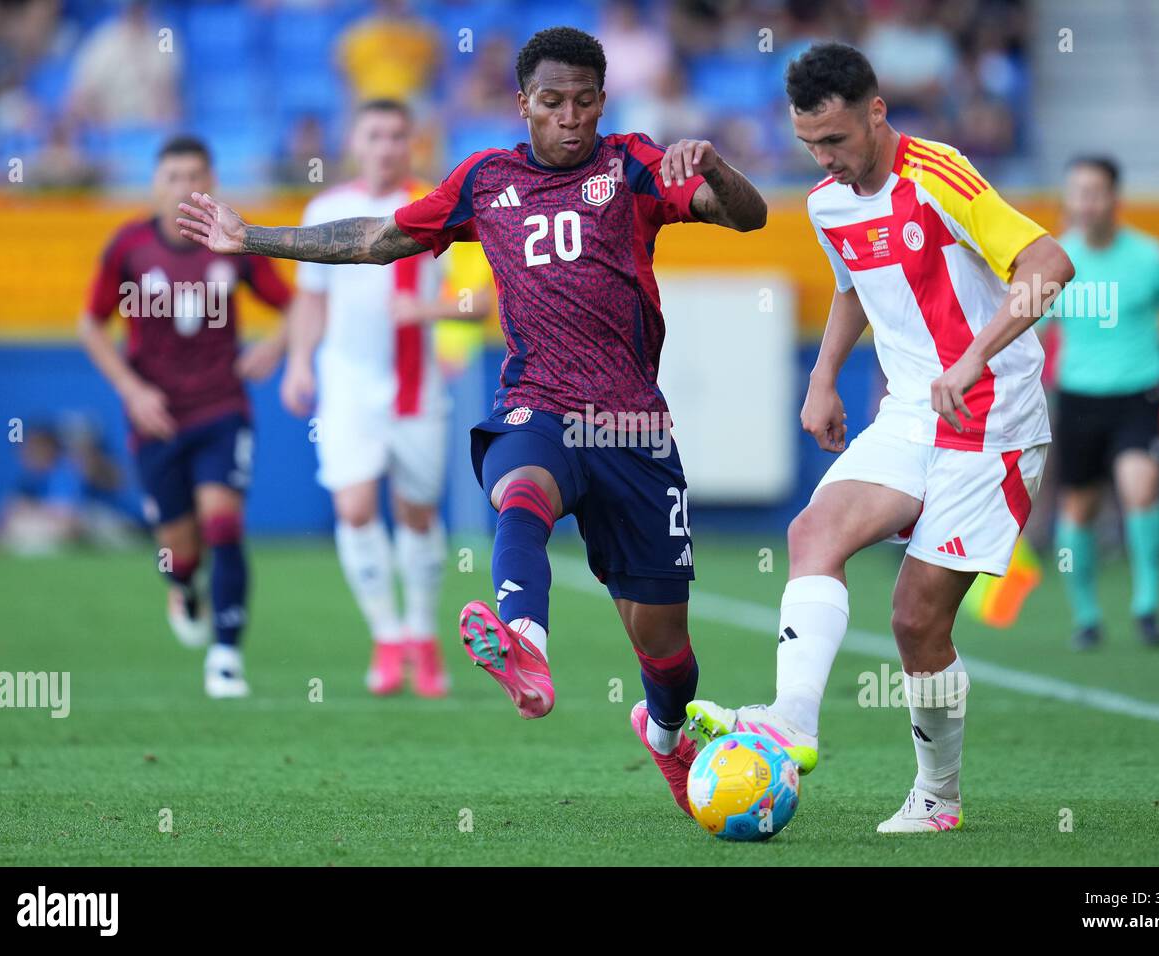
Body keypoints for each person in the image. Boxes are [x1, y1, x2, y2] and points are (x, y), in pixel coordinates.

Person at [177, 27, 767, 814]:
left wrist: (716, 165)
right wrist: (251, 237)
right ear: (522, 102)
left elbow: (749, 219)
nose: (570, 118)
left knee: (664, 645)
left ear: (603, 100)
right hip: (538, 403)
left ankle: (665, 734)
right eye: (552, 102)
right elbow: (377, 239)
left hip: (630, 428)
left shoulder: (631, 165)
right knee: (520, 483)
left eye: (585, 102)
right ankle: (526, 639)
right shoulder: (486, 182)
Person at [685, 42, 1074, 833]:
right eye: (809, 146)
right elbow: (853, 284)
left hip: (990, 421)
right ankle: (792, 723)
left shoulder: (942, 175)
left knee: (915, 621)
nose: (825, 160)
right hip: (908, 412)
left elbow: (1049, 261)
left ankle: (937, 796)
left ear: (876, 112)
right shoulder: (829, 202)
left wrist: (971, 358)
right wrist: (822, 377)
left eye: (836, 140)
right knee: (812, 532)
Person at [280, 98, 486, 696]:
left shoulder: (438, 207)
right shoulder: (327, 208)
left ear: (411, 143)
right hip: (346, 384)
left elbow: (480, 303)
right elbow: (312, 297)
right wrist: (298, 361)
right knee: (354, 509)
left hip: (416, 387)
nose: (387, 146)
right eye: (375, 134)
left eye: (398, 135)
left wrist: (425, 308)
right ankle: (387, 635)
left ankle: (423, 635)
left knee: (417, 513)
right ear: (356, 140)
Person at [79, 135, 290, 698]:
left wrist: (274, 345)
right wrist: (131, 390)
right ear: (156, 184)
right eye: (173, 176)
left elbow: (293, 303)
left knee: (223, 523)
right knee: (178, 550)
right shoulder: (128, 246)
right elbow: (90, 323)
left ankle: (225, 657)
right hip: (157, 419)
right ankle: (183, 586)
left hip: (223, 409)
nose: (185, 186)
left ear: (212, 181)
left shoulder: (232, 240)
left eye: (195, 175)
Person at [1050, 156, 1159, 650]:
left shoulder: (1151, 258)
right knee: (1078, 508)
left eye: (1095, 191)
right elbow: (1027, 335)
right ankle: (1085, 617)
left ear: (1114, 199)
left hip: (1139, 396)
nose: (1085, 202)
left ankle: (1147, 605)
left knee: (1140, 488)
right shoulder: (1054, 261)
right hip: (1078, 398)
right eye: (1077, 192)